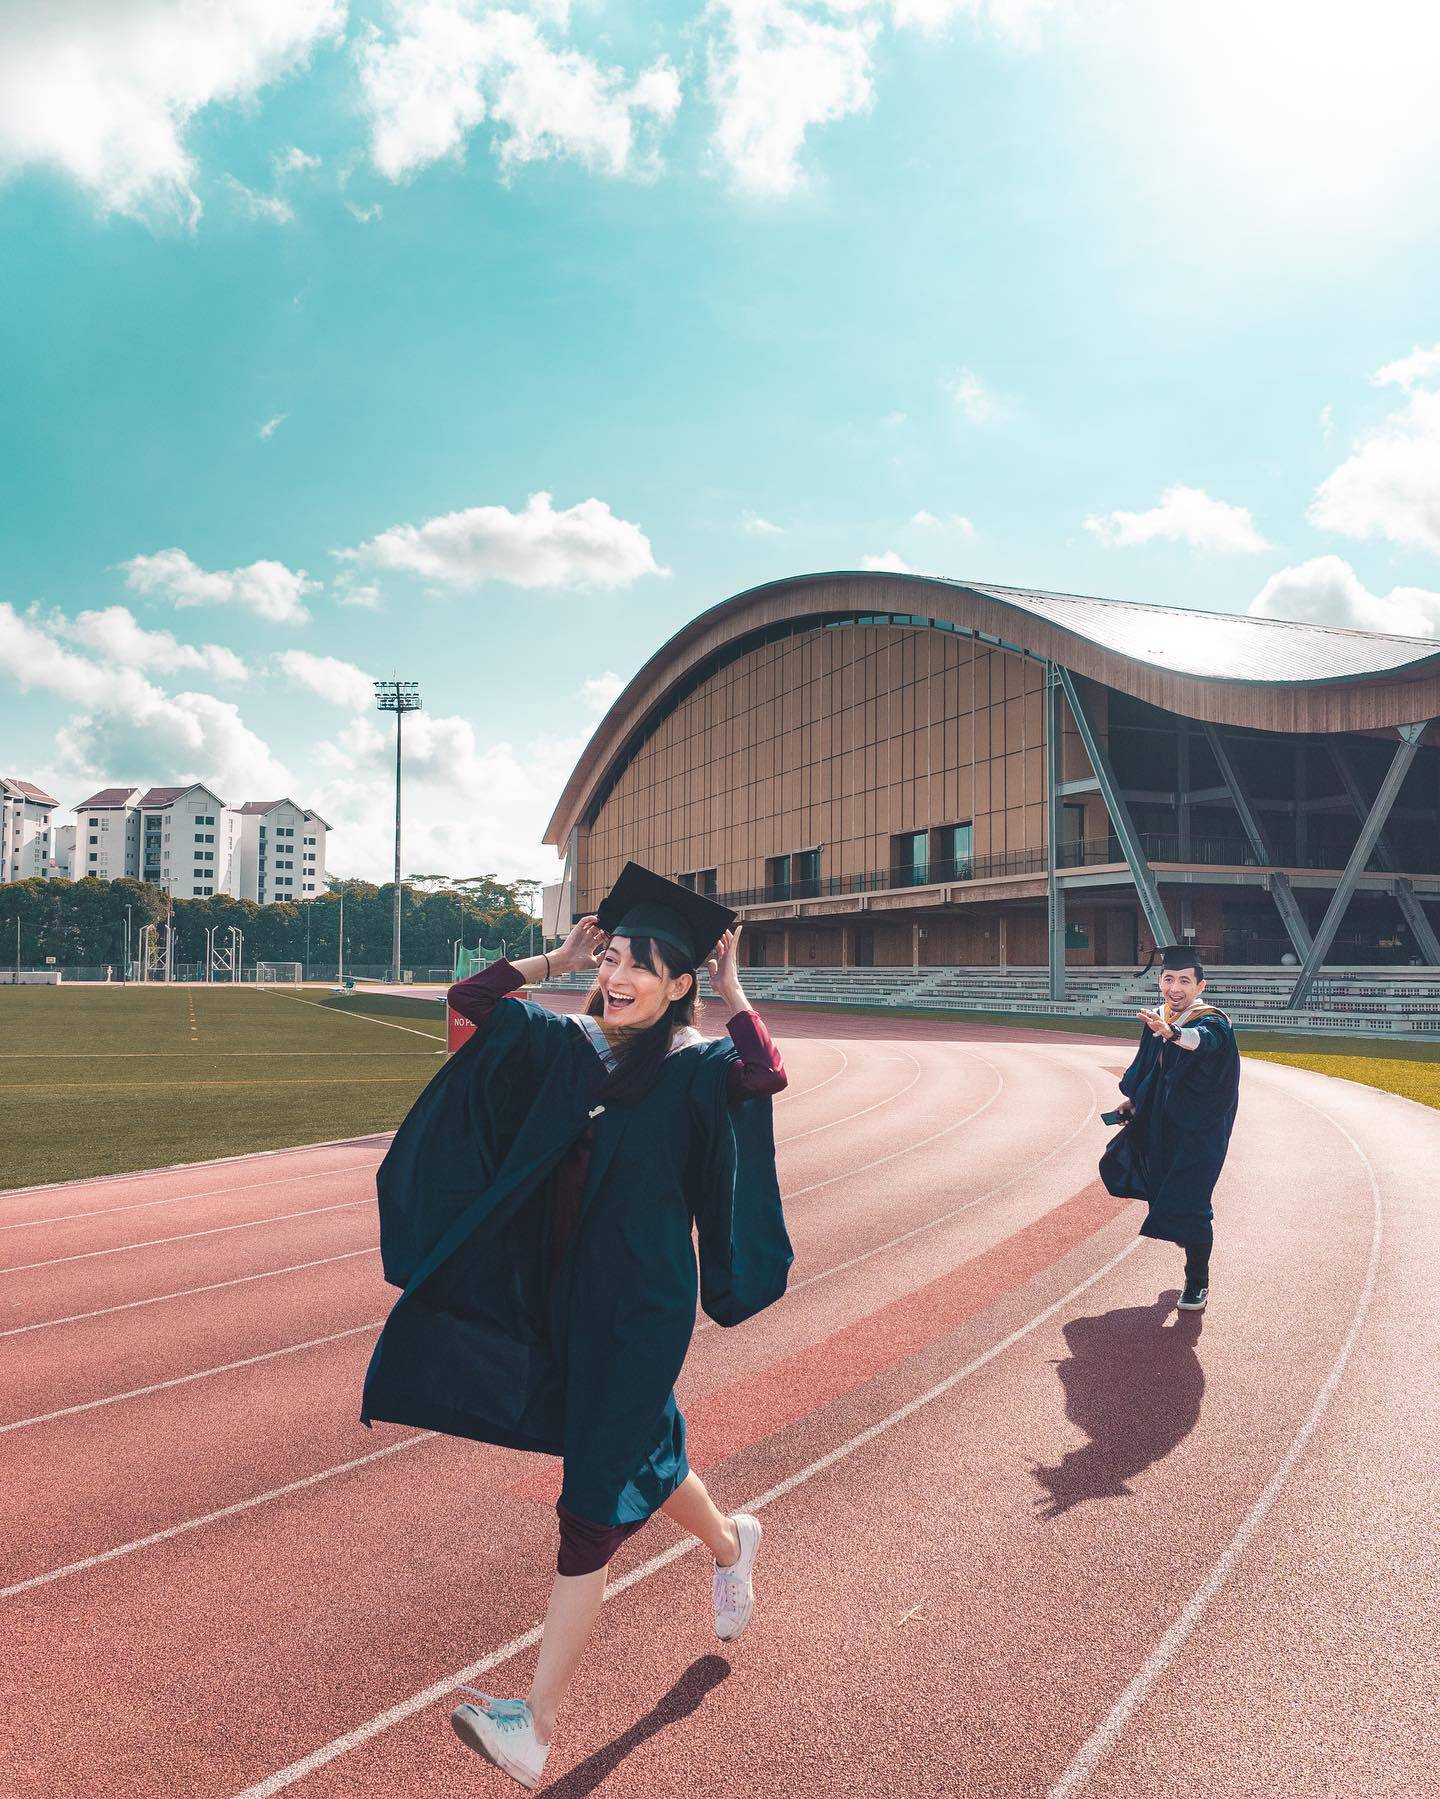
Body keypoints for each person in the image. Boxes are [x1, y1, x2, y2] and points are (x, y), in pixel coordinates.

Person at [361, 862, 792, 1790]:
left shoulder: (699, 1067)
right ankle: (730, 1542)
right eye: (615, 956)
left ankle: (535, 1724)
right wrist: (553, 958)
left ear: (681, 984)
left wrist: (734, 991)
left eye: (645, 963)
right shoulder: (570, 1046)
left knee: (588, 1504)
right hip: (559, 1298)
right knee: (645, 1453)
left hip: (641, 1313)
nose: (621, 973)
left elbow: (765, 1070)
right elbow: (470, 997)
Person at [1099, 944, 1240, 1313]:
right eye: (1168, 979)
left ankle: (1197, 1283)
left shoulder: (1212, 1021)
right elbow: (1151, 1067)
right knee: (1162, 1188)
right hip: (1162, 1121)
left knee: (1191, 1203)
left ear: (1200, 985)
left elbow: (1201, 1042)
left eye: (1184, 981)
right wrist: (1134, 1101)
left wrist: (1174, 1033)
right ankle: (1186, 1235)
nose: (1175, 987)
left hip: (1201, 1128)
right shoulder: (1158, 1017)